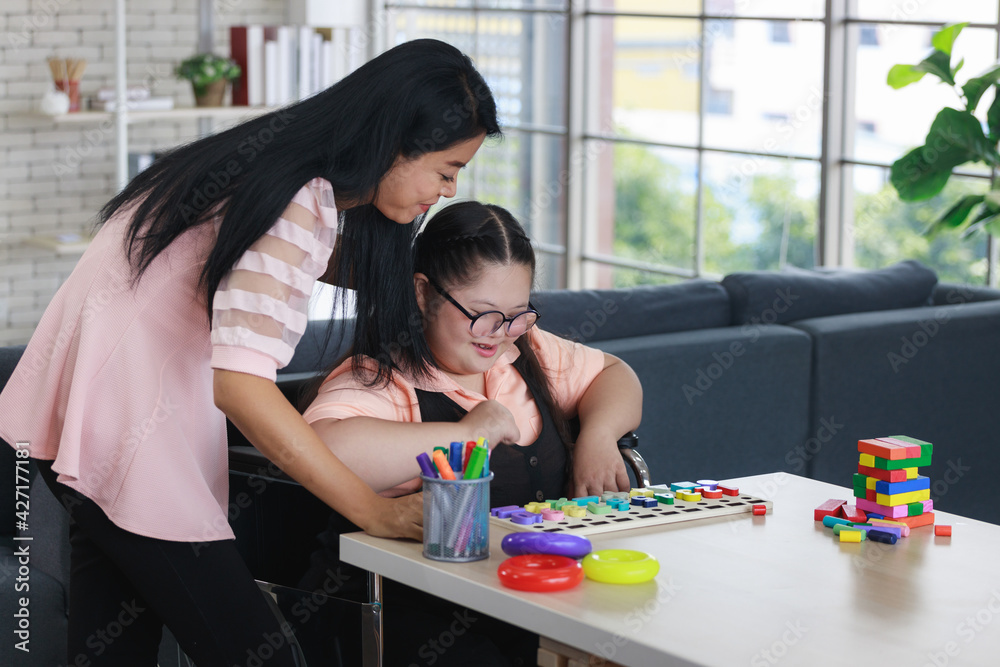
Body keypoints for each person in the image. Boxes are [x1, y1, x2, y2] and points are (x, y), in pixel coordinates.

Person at [0, 39, 500, 666]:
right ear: (393, 141)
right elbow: (240, 388)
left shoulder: (268, 165)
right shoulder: (296, 203)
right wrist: (371, 509)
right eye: (446, 170)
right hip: (122, 433)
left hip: (79, 418)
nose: (448, 191)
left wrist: (434, 284)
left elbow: (290, 264)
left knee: (114, 646)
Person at [298, 200, 643, 665]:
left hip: (521, 597)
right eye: (482, 314)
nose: (499, 334)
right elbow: (319, 452)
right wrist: (466, 433)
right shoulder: (382, 378)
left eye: (517, 314)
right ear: (424, 293)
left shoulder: (526, 350)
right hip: (409, 613)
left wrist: (598, 436)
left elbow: (615, 375)